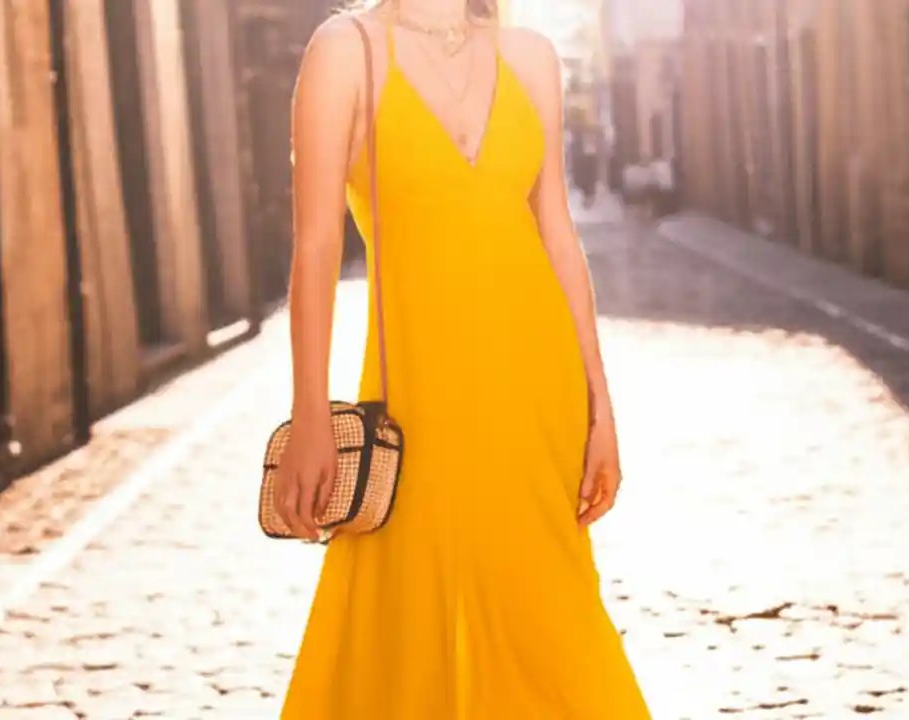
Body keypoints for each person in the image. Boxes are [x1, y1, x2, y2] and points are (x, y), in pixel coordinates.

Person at [276, 0, 651, 717]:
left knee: (551, 621)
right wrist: (310, 415)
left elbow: (558, 238)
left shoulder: (532, 56)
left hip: (538, 392)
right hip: (419, 398)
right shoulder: (344, 50)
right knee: (407, 611)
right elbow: (316, 245)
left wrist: (600, 409)